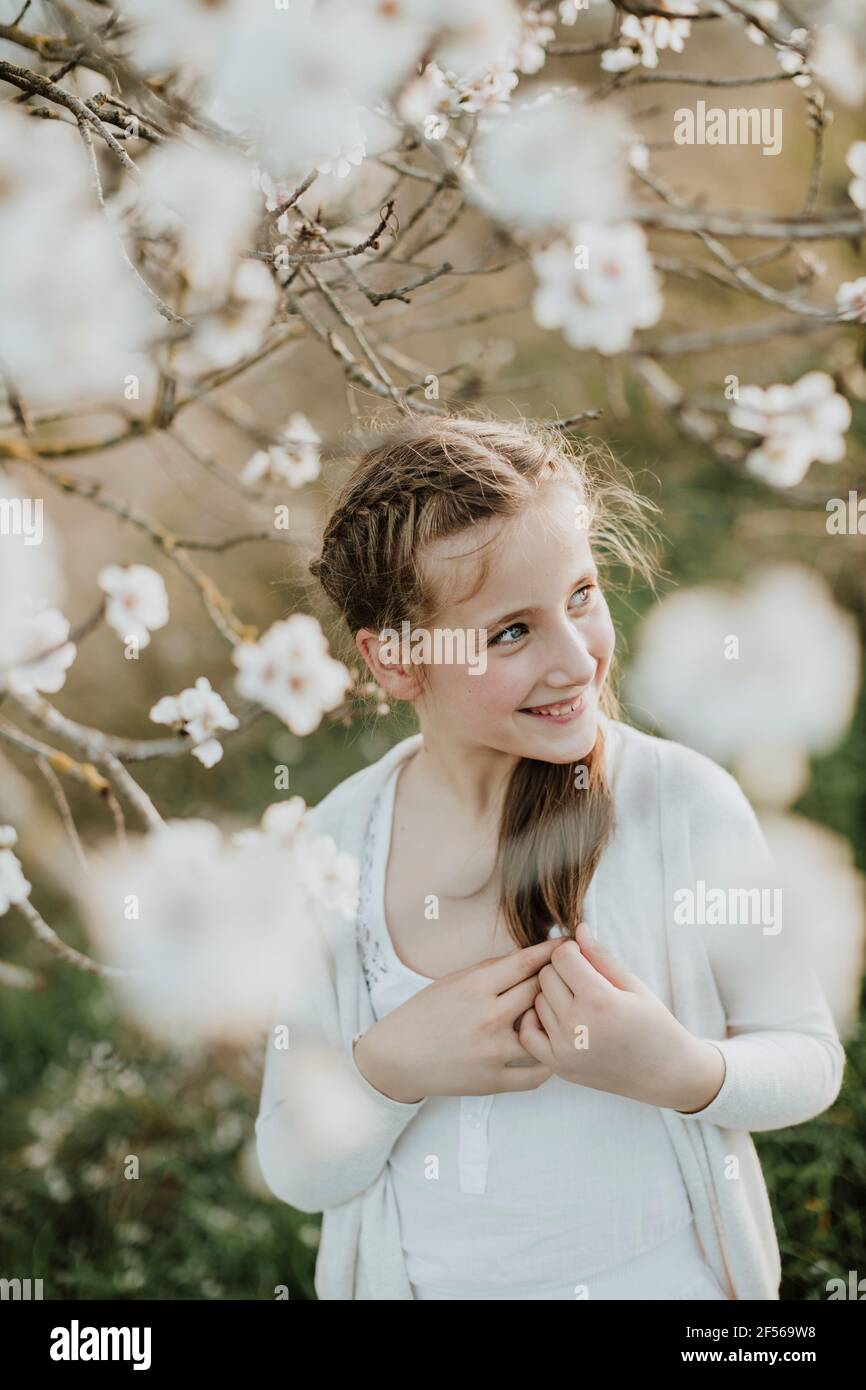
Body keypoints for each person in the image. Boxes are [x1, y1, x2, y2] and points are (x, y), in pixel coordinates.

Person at [255, 415, 845, 1301]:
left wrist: (681, 1070)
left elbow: (808, 1058)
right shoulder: (335, 851)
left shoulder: (680, 806)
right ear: (396, 661)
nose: (576, 660)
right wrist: (388, 1070)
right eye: (509, 634)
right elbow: (298, 1166)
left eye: (581, 595)